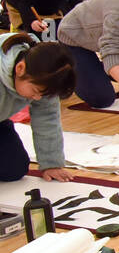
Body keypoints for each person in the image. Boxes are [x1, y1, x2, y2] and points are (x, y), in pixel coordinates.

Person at [0, 33, 78, 183]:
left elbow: (47, 118)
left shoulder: (44, 74)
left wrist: (51, 163)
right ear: (20, 68)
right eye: (35, 92)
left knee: (14, 169)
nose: (37, 98)